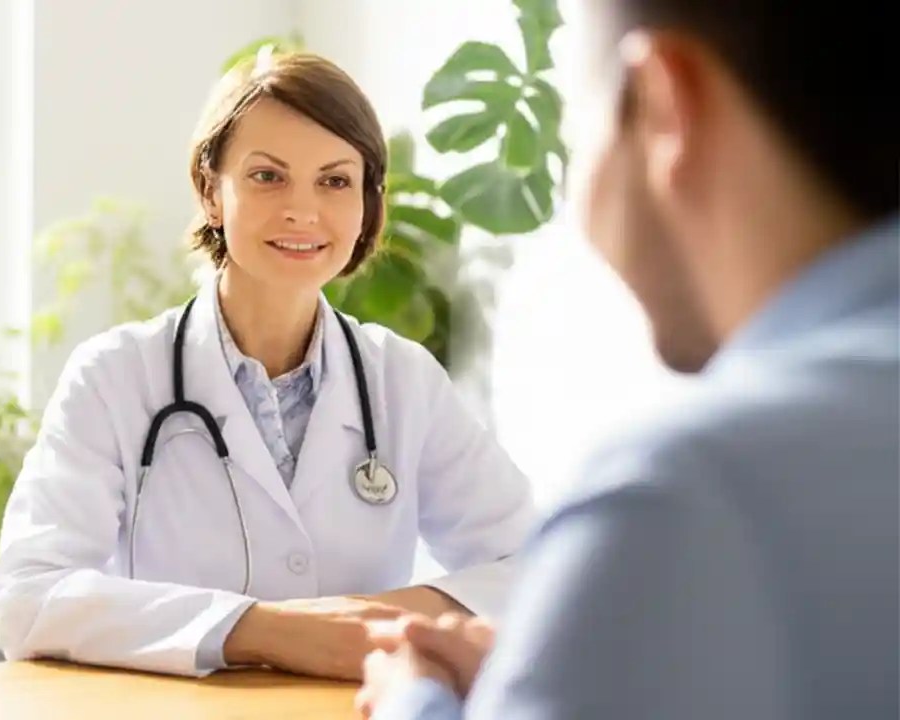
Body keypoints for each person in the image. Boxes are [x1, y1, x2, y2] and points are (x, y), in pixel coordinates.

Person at [357, 0, 899, 717]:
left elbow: (505, 545)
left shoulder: (686, 489)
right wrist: (587, 661)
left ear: (664, 106)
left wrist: (416, 701)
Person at [0, 51, 537, 680]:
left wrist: (369, 617)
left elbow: (538, 563)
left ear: (366, 203)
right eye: (268, 176)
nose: (303, 211)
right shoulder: (115, 377)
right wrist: (268, 631)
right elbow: (30, 594)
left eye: (335, 181)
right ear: (209, 191)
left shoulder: (402, 381)